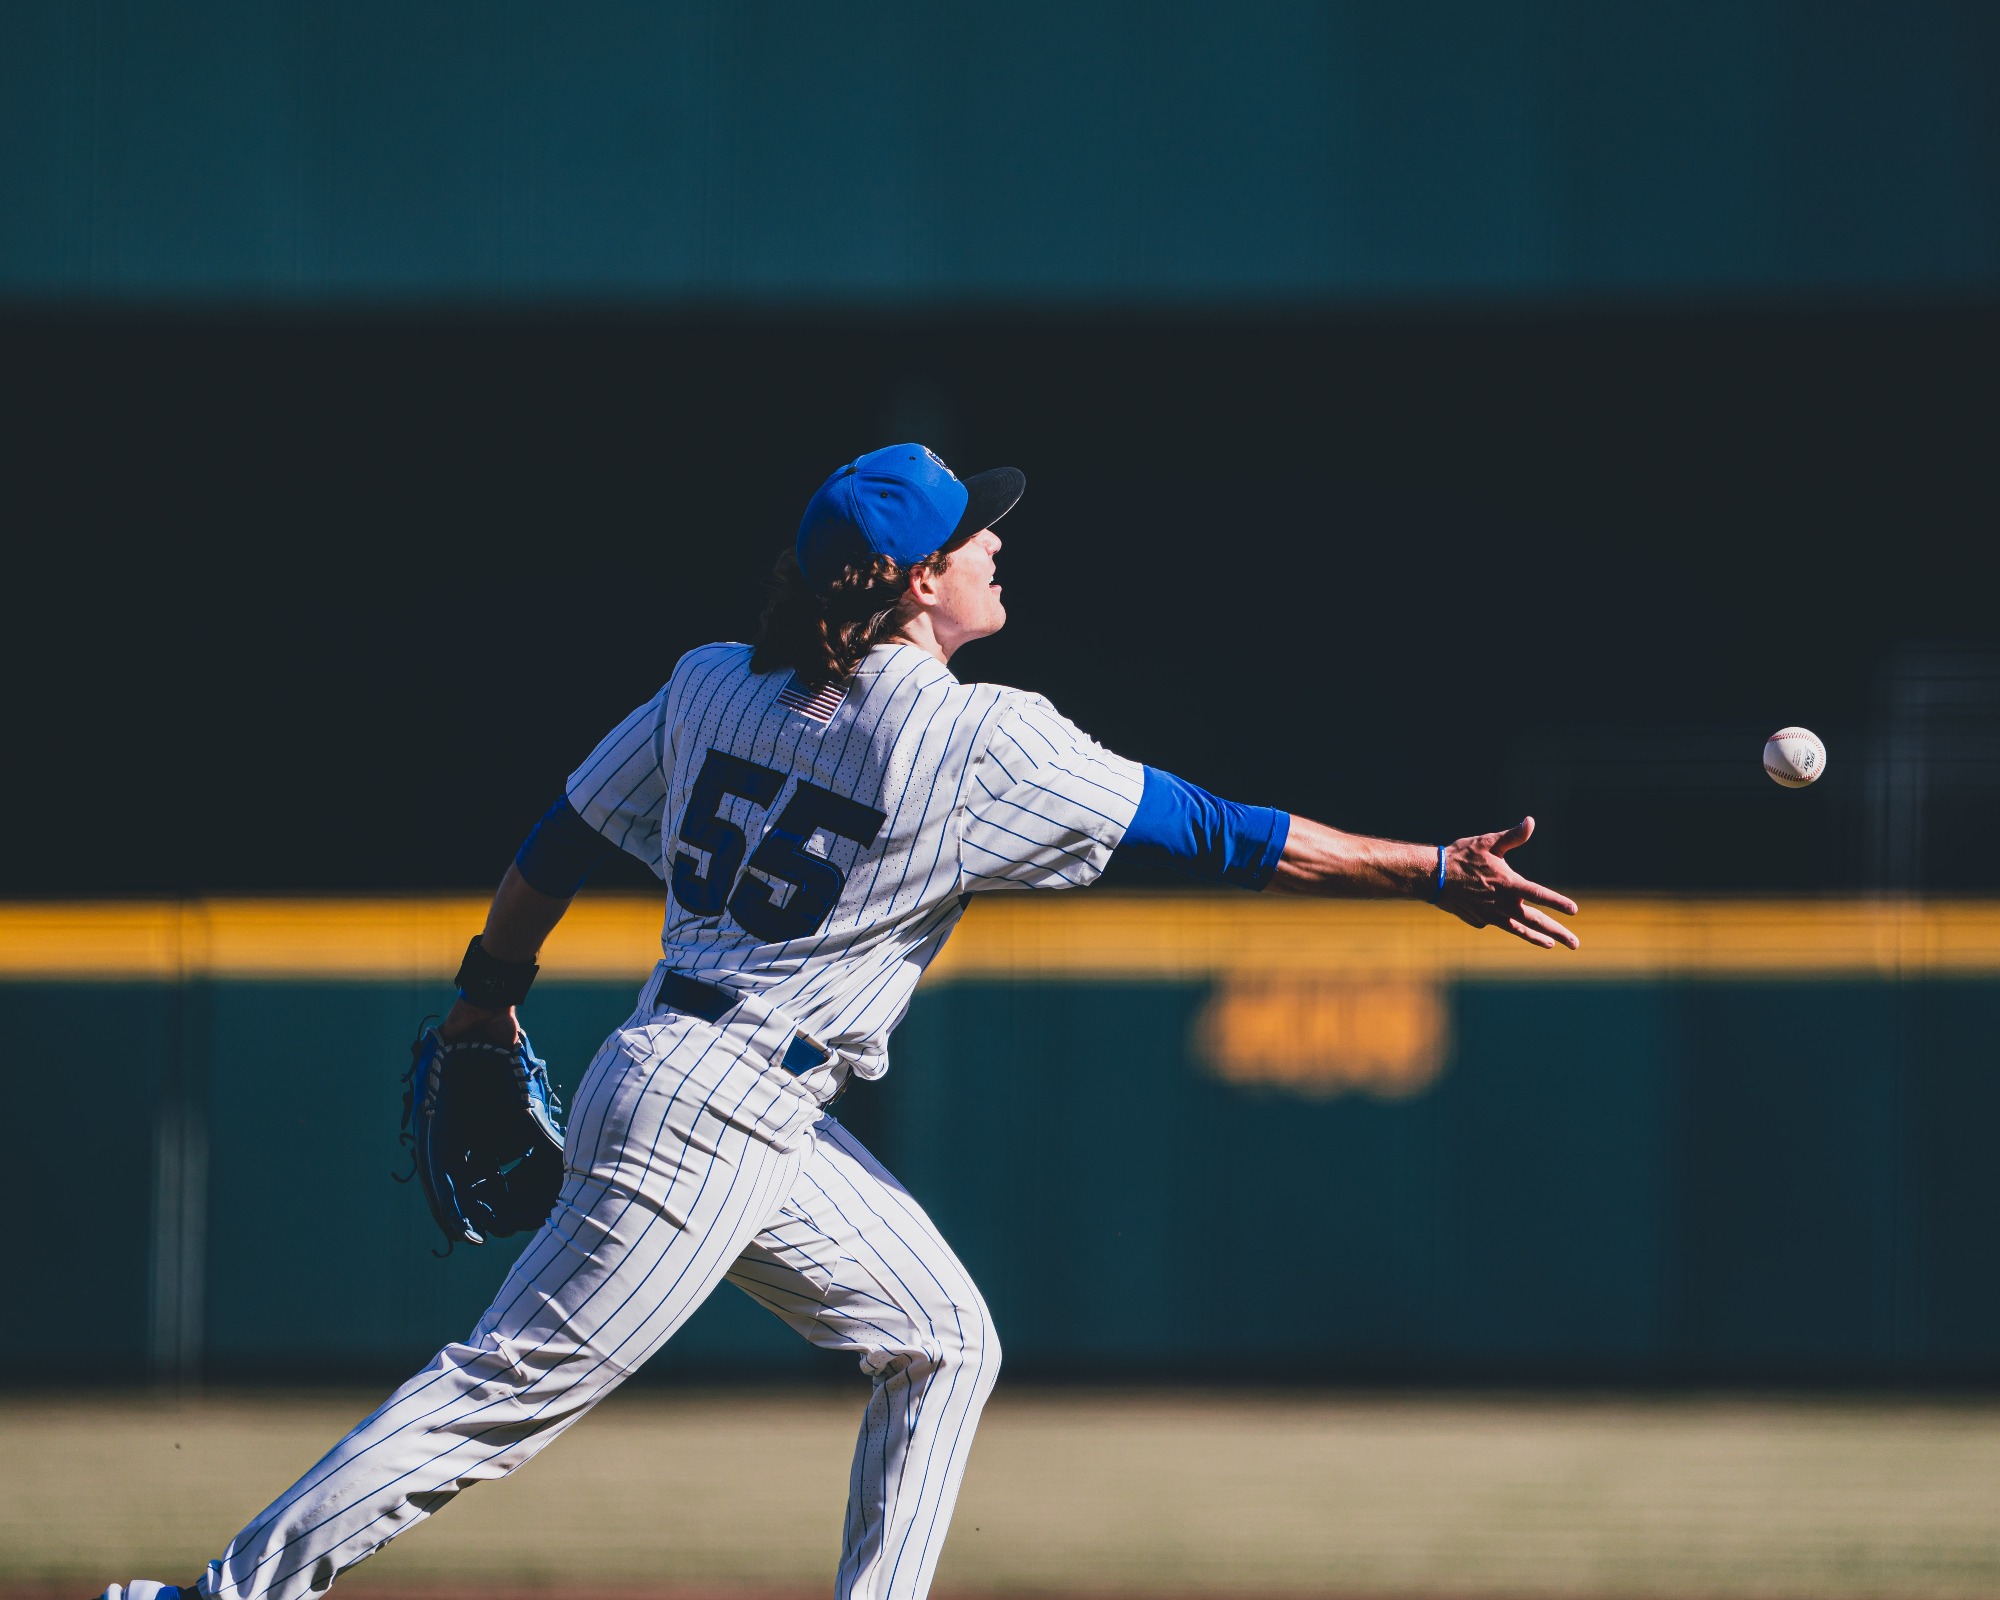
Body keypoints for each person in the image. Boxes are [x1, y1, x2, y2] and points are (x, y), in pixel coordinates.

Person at [96, 444, 1579, 1600]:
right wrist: (1429, 870)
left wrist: (487, 996)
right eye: (972, 532)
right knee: (501, 1393)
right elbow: (1213, 827)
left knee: (943, 1340)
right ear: (918, 581)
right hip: (713, 1112)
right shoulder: (978, 736)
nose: (998, 541)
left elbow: (555, 842)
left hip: (707, 1080)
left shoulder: (708, 687)